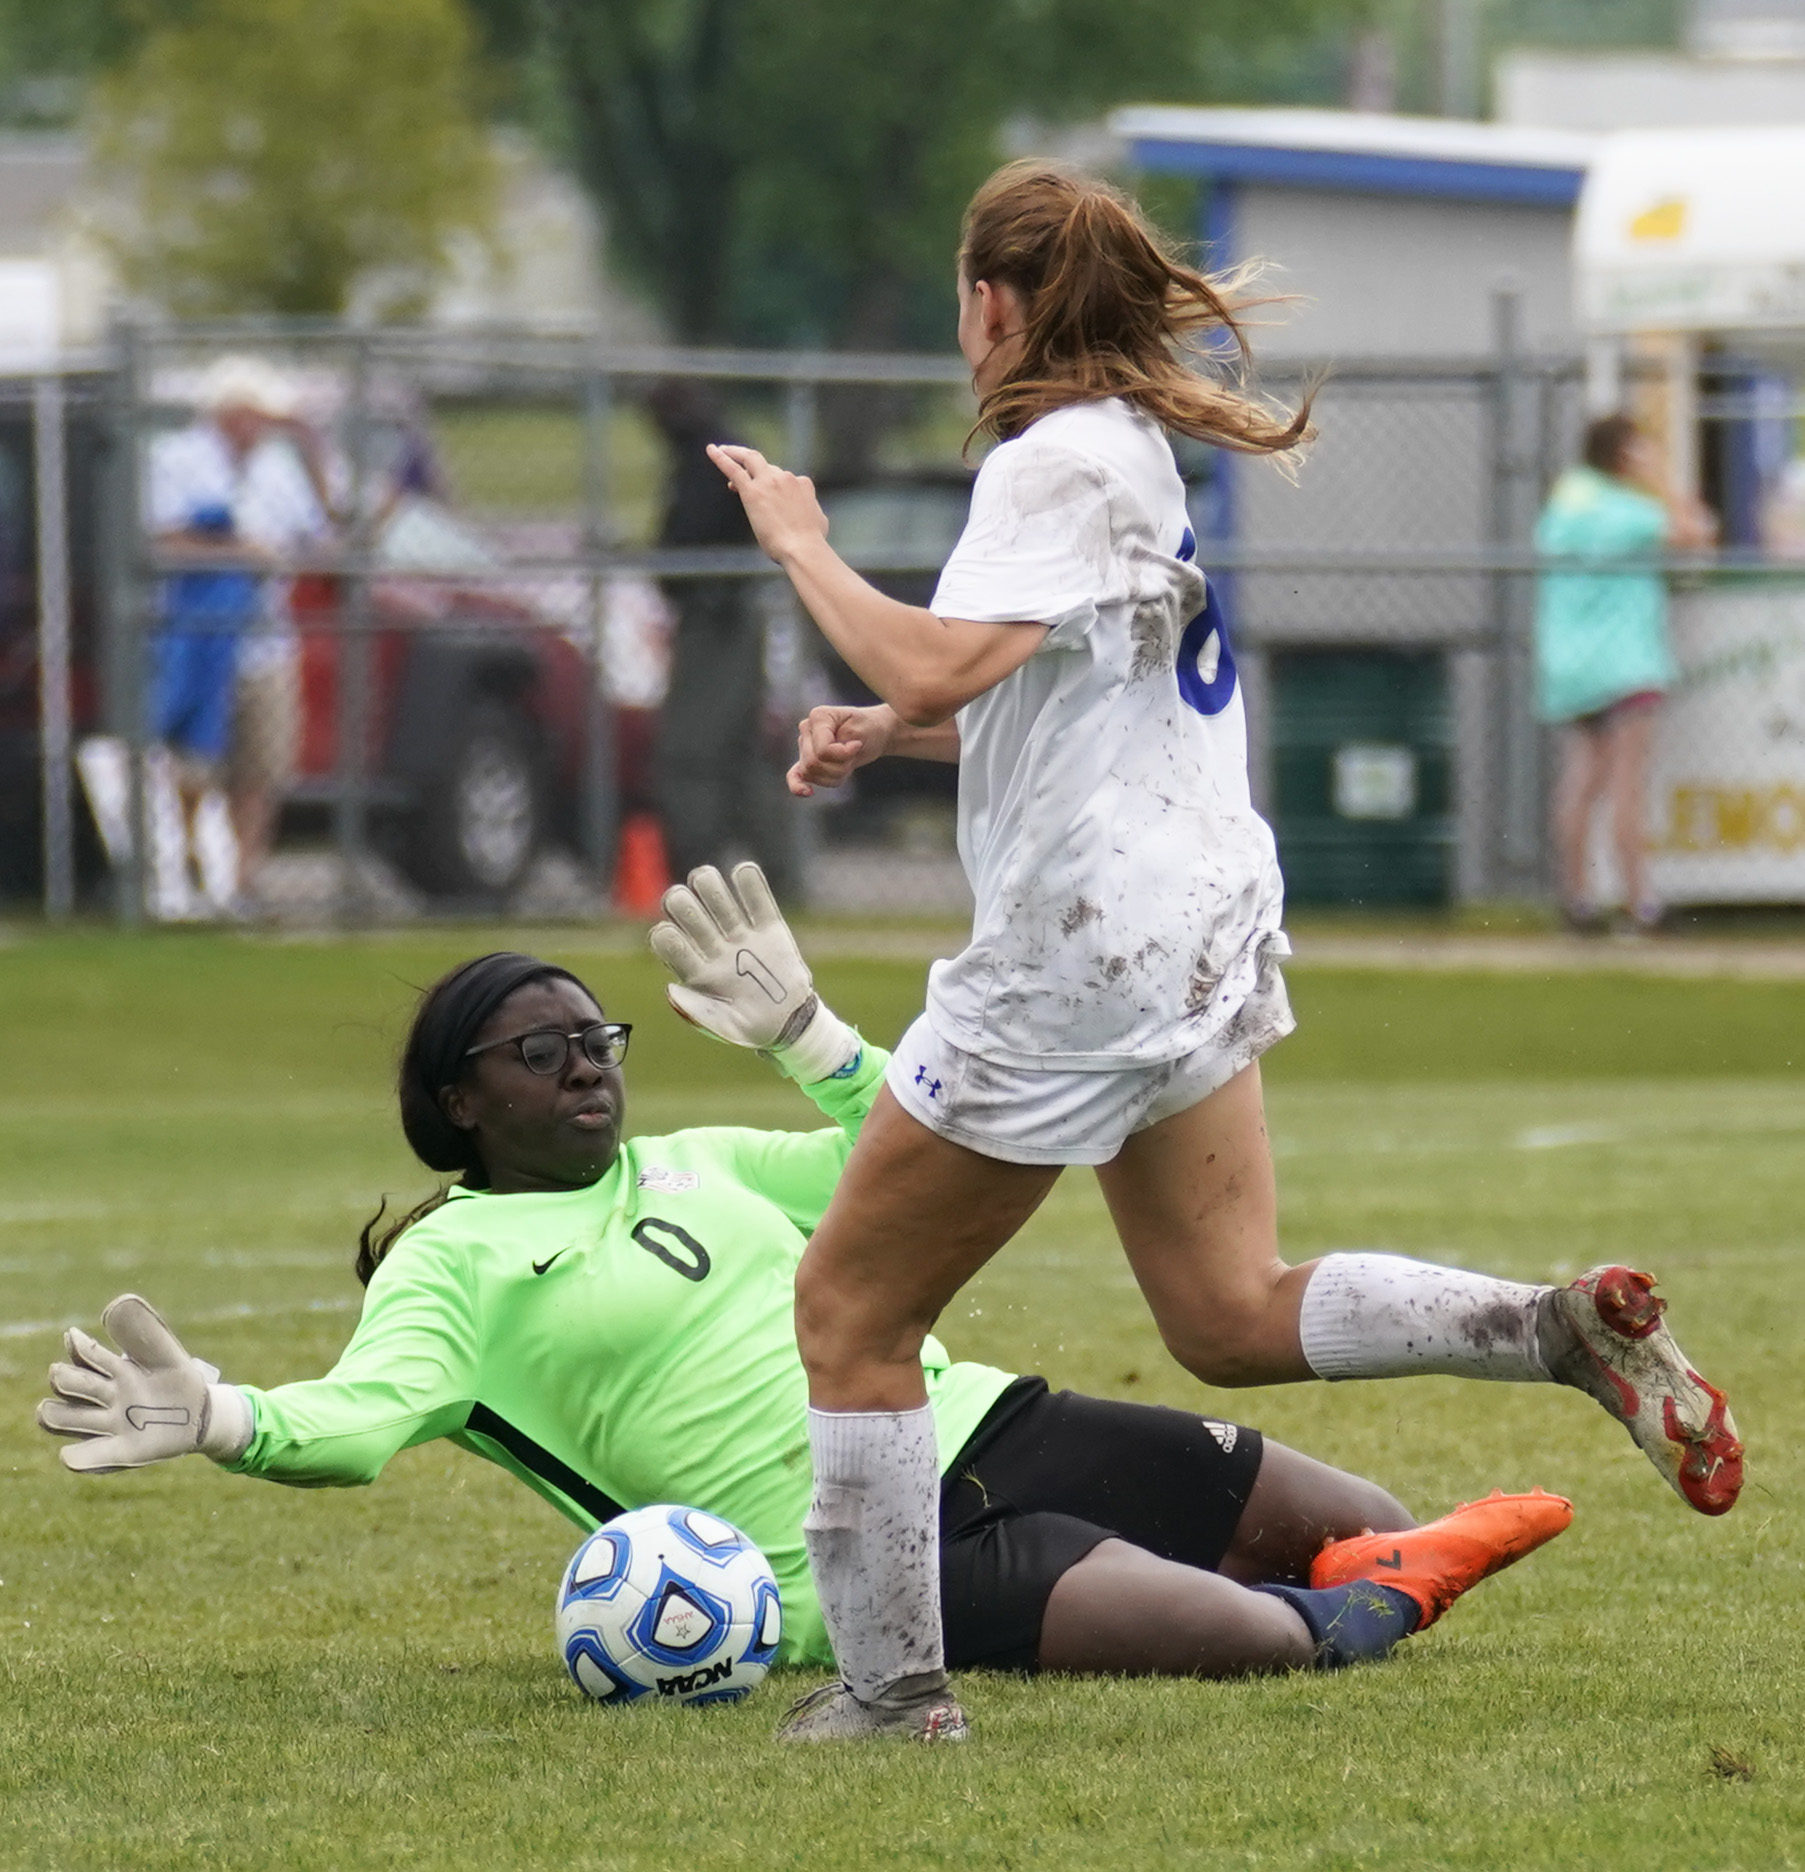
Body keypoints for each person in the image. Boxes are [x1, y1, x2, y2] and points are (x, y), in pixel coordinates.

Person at [697, 161, 1743, 1742]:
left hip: (1077, 957)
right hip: (1191, 925)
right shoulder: (1131, 454)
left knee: (849, 1314)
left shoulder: (1048, 464)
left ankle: (895, 1693)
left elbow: (930, 648)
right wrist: (896, 737)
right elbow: (1038, 707)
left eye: (964, 301)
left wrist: (797, 536)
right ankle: (1547, 1329)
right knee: (1226, 1313)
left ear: (995, 303)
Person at [35, 894, 1573, 1695]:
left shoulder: (699, 1161)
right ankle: (1369, 1599)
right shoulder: (454, 1263)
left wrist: (806, 1029)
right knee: (1262, 1643)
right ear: (460, 1102)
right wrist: (223, 1415)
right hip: (844, 1548)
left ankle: (1376, 1560)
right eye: (541, 1049)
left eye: (600, 1037)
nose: (587, 1061)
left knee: (1345, 1503)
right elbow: (361, 1423)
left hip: (989, 1423)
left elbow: (901, 1147)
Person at [147, 356, 336, 910]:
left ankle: (244, 881)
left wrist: (316, 454)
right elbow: (161, 541)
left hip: (265, 637)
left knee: (261, 764)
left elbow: (315, 534)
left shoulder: (279, 466)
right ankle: (187, 867)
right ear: (232, 413)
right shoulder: (177, 459)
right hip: (197, 634)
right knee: (194, 763)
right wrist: (238, 552)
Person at [1535, 413, 1716, 934]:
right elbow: (1695, 534)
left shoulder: (1567, 501)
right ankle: (1641, 904)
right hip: (1627, 660)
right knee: (1626, 786)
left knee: (1580, 782)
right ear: (1623, 455)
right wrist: (1663, 480)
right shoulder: (1627, 510)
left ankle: (1577, 900)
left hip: (1570, 663)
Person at [645, 378, 795, 897]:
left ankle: (702, 873)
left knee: (698, 751)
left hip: (719, 620)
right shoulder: (702, 456)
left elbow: (708, 532)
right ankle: (749, 873)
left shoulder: (712, 457)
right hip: (710, 617)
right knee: (731, 750)